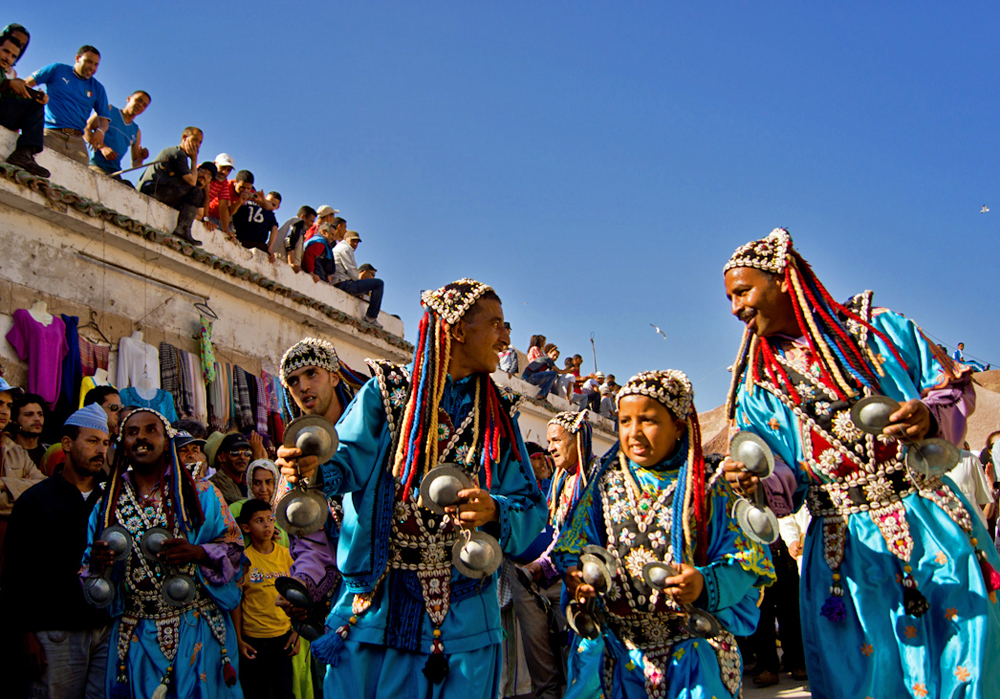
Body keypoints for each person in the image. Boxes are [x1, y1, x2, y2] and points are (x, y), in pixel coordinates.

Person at [721, 228, 1000, 698]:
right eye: (730, 298)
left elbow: (952, 388)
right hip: (842, 550)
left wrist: (928, 416)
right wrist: (753, 484)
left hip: (929, 519)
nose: (735, 308)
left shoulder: (878, 331)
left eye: (743, 291)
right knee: (865, 679)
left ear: (783, 279)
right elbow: (781, 480)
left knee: (963, 662)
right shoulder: (757, 387)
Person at [276, 278, 547, 699]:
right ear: (457, 330)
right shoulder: (387, 395)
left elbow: (530, 507)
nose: (506, 336)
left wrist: (494, 511)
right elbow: (345, 461)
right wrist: (311, 467)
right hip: (380, 600)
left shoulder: (498, 414)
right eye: (495, 324)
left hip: (466, 609)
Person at [554, 370, 774, 699]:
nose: (634, 433)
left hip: (694, 652)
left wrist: (702, 583)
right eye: (624, 421)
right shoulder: (604, 482)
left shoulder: (710, 483)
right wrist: (577, 577)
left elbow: (746, 559)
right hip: (622, 654)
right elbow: (575, 544)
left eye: (648, 420)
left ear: (679, 425)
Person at [81, 408, 244, 698]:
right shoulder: (107, 503)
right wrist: (99, 565)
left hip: (197, 628)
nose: (140, 437)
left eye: (150, 430)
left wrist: (198, 552)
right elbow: (89, 573)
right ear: (122, 445)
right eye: (131, 432)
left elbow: (235, 551)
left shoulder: (202, 494)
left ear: (167, 440)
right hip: (134, 634)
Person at [0, 404, 111, 699]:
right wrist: (26, 634)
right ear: (66, 444)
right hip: (54, 632)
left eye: (105, 443)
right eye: (91, 441)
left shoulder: (113, 500)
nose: (100, 450)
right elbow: (15, 571)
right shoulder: (35, 501)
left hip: (105, 630)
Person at [522, 411, 602, 699]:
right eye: (548, 442)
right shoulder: (561, 482)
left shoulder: (598, 479)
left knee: (589, 668)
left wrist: (544, 564)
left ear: (578, 439)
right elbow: (560, 535)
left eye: (557, 440)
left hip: (594, 588)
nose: (551, 448)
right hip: (566, 583)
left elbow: (583, 537)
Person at [232, 499, 299, 699]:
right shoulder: (244, 560)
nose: (267, 525)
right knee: (256, 693)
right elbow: (236, 602)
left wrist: (296, 631)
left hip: (283, 638)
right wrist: (238, 640)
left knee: (284, 691)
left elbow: (297, 597)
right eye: (259, 521)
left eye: (270, 519)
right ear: (246, 527)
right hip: (254, 640)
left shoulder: (286, 556)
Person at [26, 45, 109, 166]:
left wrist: (100, 131)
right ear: (77, 58)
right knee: (37, 169)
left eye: (96, 64)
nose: (92, 67)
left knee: (80, 180)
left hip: (77, 141)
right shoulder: (57, 69)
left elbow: (104, 120)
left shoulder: (98, 88)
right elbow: (26, 84)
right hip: (50, 133)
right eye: (88, 61)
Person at [0, 377, 44, 576]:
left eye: (8, 405)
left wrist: (3, 484)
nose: (4, 411)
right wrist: (20, 487)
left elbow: (42, 488)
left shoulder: (15, 450)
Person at [137, 126, 207, 245]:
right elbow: (192, 181)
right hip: (152, 190)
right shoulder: (177, 153)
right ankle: (183, 229)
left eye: (200, 142)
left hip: (160, 189)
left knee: (199, 192)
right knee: (195, 192)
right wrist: (194, 160)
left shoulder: (180, 155)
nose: (197, 145)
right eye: (195, 140)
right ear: (185, 138)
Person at [0, 28, 49, 177]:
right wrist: (7, 84)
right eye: (5, 52)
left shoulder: (6, 73)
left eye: (13, 56)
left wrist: (32, 96)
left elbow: (10, 98)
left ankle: (24, 153)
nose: (8, 58)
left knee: (35, 106)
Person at [86, 90, 149, 181]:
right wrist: (102, 147)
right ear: (129, 99)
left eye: (144, 105)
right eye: (138, 100)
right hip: (96, 165)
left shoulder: (136, 131)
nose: (140, 105)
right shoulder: (110, 110)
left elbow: (135, 164)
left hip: (115, 172)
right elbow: (85, 128)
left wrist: (140, 158)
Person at [331, 230, 384, 327]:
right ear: (345, 239)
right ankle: (371, 317)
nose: (355, 244)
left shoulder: (342, 248)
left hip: (340, 282)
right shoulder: (345, 249)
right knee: (378, 284)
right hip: (343, 284)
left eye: (357, 242)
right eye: (353, 241)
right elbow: (353, 273)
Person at [232, 182, 279, 261]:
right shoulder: (268, 212)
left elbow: (231, 215)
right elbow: (274, 228)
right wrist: (270, 247)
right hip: (258, 246)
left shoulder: (242, 204)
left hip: (240, 241)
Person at [210, 433, 253, 505]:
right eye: (235, 452)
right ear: (222, 457)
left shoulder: (249, 478)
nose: (242, 457)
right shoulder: (216, 482)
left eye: (246, 452)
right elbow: (240, 503)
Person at [8, 391, 47, 467]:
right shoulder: (6, 453)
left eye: (40, 414)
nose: (37, 419)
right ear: (15, 421)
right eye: (29, 415)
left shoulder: (49, 453)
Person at [280, 205, 317, 272]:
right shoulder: (298, 222)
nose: (312, 225)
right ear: (303, 217)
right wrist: (291, 262)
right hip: (281, 261)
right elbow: (290, 240)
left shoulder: (300, 232)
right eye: (311, 221)